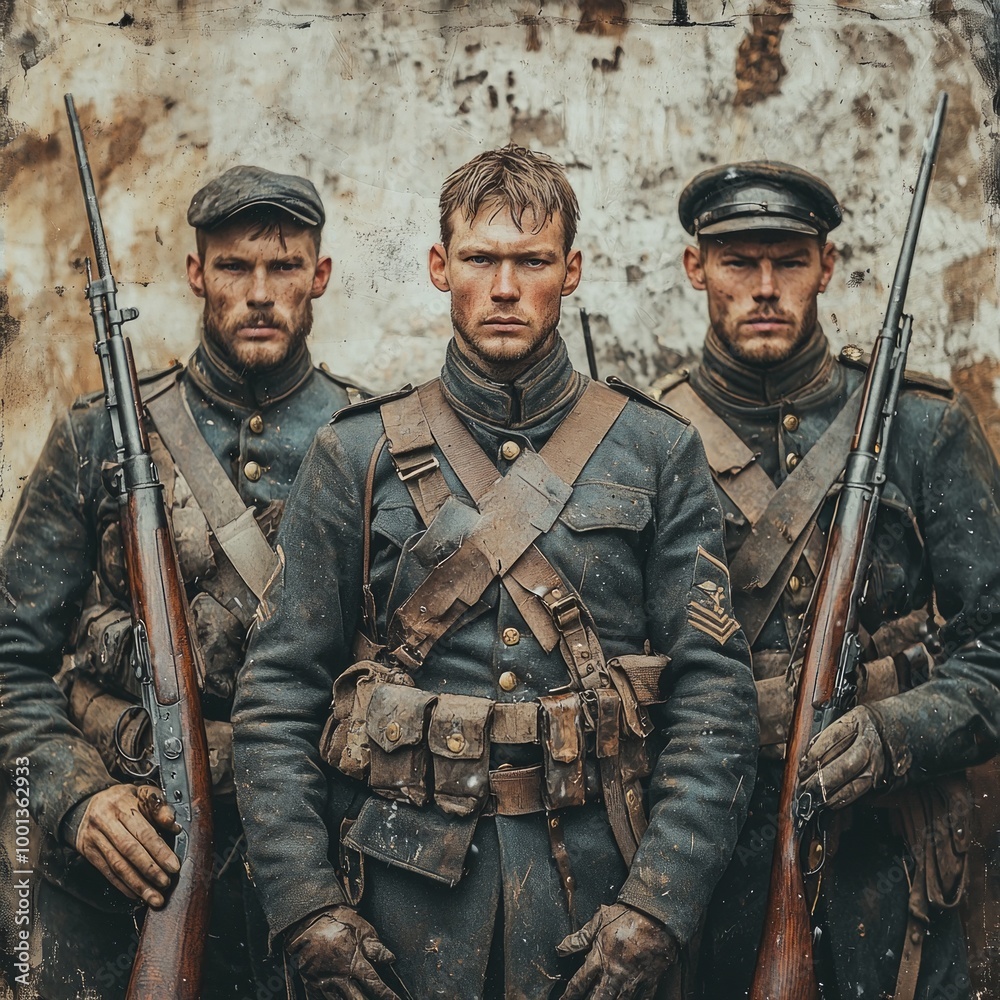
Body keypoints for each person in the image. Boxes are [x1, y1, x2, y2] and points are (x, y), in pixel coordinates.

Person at [232, 144, 759, 1000]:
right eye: (481, 259)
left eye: (532, 261)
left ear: (572, 269)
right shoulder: (355, 453)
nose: (505, 288)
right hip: (396, 916)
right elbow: (280, 692)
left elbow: (713, 695)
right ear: (442, 267)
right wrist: (306, 909)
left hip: (596, 915)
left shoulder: (658, 451)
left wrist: (660, 905)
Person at [0, 165, 363, 999]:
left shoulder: (368, 444)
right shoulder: (96, 439)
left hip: (305, 893)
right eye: (235, 267)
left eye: (284, 267)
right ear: (198, 273)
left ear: (322, 276)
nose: (260, 292)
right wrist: (70, 798)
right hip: (113, 886)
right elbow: (12, 659)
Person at [654, 161, 1000, 1000]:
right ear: (697, 268)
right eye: (739, 262)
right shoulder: (651, 438)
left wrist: (897, 732)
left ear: (828, 266)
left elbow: (993, 647)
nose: (766, 287)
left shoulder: (923, 426)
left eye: (790, 261)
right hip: (717, 880)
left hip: (902, 878)